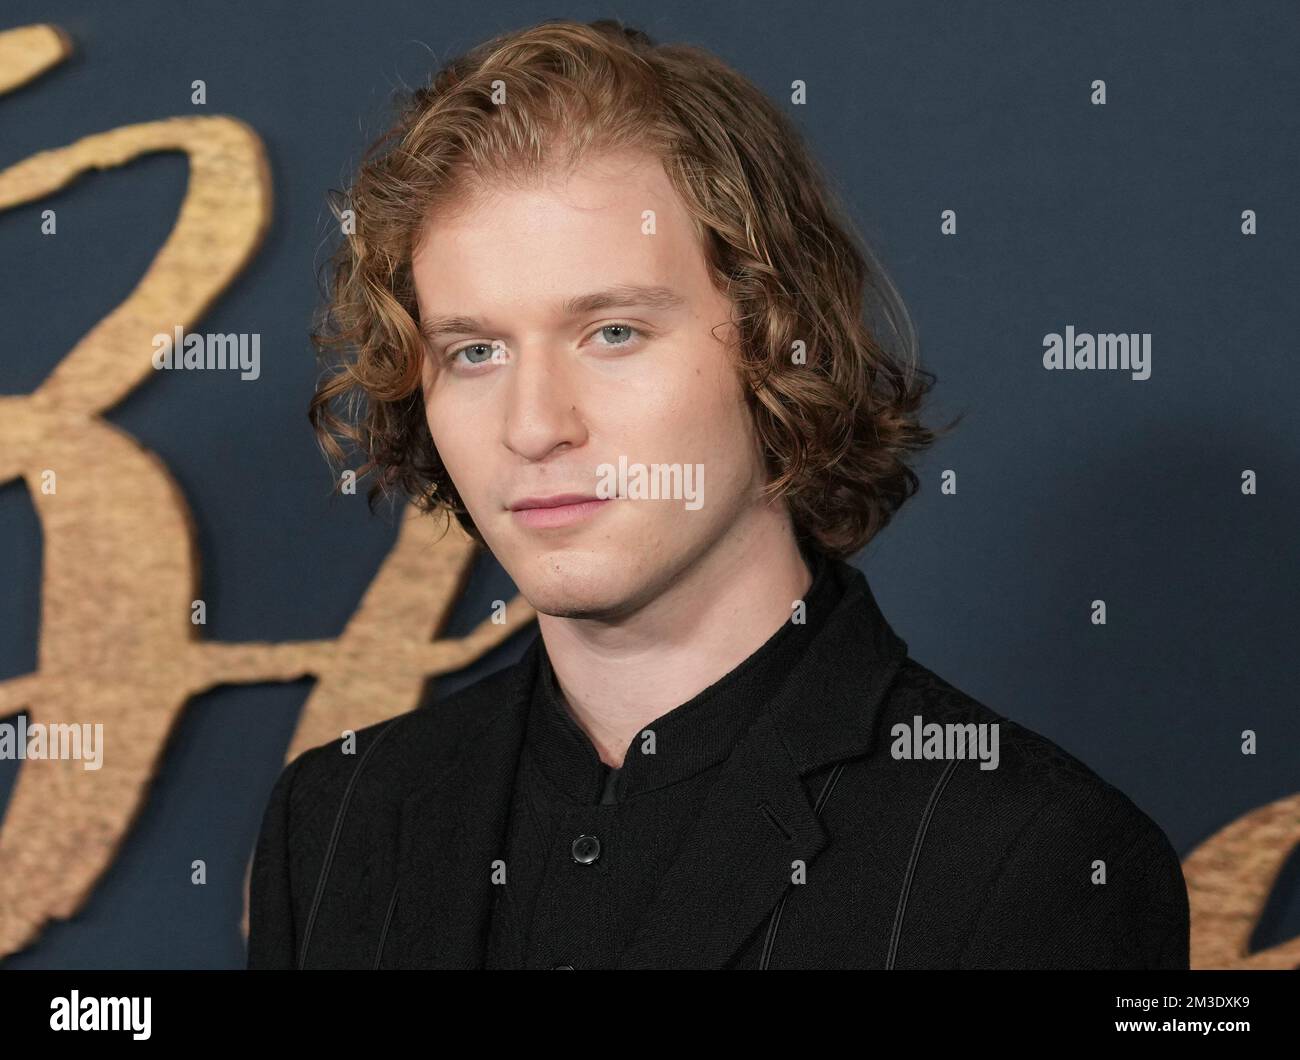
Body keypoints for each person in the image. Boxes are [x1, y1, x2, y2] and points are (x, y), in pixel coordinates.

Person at [246, 18, 1189, 969]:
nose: (534, 426)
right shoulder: (336, 824)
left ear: (778, 343)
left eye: (612, 332)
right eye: (475, 351)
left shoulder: (1036, 859)